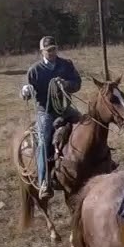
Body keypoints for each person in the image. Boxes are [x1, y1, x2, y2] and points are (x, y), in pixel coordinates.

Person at [21, 36, 82, 199]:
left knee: (87, 125)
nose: (52, 53)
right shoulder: (35, 70)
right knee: (44, 140)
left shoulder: (66, 65)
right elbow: (27, 91)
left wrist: (66, 84)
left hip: (65, 109)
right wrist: (26, 91)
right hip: (45, 112)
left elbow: (77, 83)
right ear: (42, 52)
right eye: (48, 50)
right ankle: (44, 182)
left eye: (54, 49)